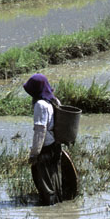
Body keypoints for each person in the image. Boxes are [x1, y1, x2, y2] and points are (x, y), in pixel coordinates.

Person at [23, 73, 63, 205]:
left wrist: (34, 153)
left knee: (46, 185)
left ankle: (48, 211)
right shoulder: (54, 101)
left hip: (45, 148)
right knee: (55, 180)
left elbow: (40, 131)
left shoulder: (40, 105)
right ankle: (58, 206)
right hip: (55, 146)